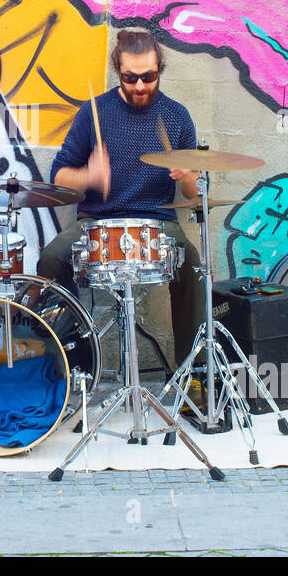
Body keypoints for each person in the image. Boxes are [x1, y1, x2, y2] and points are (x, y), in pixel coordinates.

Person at [39, 29, 203, 365]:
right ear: (119, 72)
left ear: (159, 70)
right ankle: (74, 365)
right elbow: (59, 178)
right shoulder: (94, 112)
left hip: (157, 222)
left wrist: (187, 177)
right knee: (51, 260)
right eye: (130, 78)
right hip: (97, 222)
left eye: (149, 77)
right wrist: (89, 175)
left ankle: (193, 371)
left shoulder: (177, 117)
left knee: (191, 263)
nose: (140, 86)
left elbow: (194, 196)